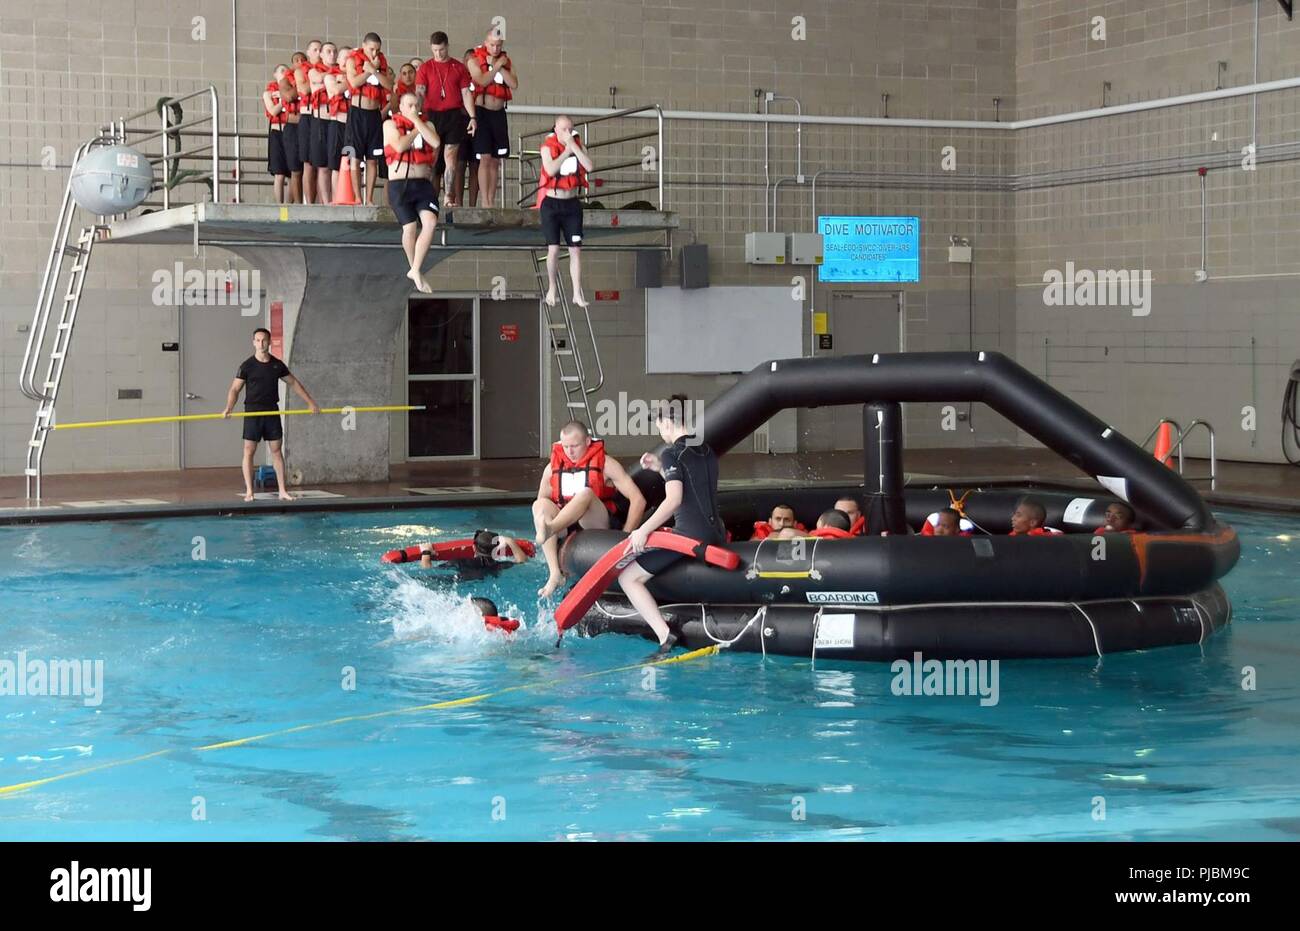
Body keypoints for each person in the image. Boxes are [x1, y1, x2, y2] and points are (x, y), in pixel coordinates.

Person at [621, 396, 725, 652]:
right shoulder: (705, 448)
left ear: (666, 422)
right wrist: (660, 469)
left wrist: (642, 530)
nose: (659, 431)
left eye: (658, 425)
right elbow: (695, 488)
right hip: (716, 532)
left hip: (690, 536)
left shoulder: (672, 453)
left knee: (628, 578)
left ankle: (664, 635)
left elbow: (675, 499)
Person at [533, 421, 646, 598]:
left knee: (585, 493)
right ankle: (555, 573)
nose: (569, 452)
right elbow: (543, 502)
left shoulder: (606, 464)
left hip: (596, 524)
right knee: (539, 504)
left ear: (587, 442)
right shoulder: (552, 469)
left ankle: (551, 529)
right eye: (566, 446)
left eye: (575, 446)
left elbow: (638, 500)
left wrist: (625, 537)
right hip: (567, 527)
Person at [223, 327, 320, 502]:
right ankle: (249, 492)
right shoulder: (246, 366)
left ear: (269, 342)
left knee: (276, 451)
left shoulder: (277, 365)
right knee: (249, 451)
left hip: (271, 412)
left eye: (264, 340)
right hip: (252, 412)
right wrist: (229, 407)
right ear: (253, 342)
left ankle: (282, 490)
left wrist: (310, 402)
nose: (261, 343)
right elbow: (235, 389)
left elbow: (294, 383)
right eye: (258, 340)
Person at [383, 91, 440, 293]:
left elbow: (435, 142)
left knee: (431, 223)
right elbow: (399, 145)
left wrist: (418, 123)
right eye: (410, 105)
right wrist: (416, 129)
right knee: (409, 227)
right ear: (401, 108)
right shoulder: (389, 125)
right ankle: (414, 269)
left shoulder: (428, 125)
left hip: (423, 185)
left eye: (417, 105)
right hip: (401, 184)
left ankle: (415, 269)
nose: (414, 109)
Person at [537, 115, 594, 307]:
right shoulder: (547, 148)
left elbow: (589, 166)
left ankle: (577, 292)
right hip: (552, 204)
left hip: (572, 205)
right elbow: (551, 170)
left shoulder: (579, 146)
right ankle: (552, 287)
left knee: (576, 250)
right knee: (553, 249)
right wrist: (566, 151)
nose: (567, 133)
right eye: (563, 130)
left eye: (570, 129)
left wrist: (574, 148)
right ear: (555, 129)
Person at [416, 32, 477, 208]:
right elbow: (420, 92)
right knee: (432, 159)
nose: (438, 54)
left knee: (451, 158)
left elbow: (466, 93)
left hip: (453, 116)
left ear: (447, 46)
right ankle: (426, 196)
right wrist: (416, 113)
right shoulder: (425, 68)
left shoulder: (458, 67)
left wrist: (473, 117)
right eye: (435, 50)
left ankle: (449, 197)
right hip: (432, 116)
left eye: (441, 50)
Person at [466, 27, 517, 207]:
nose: (495, 49)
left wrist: (500, 66)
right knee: (484, 158)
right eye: (492, 45)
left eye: (499, 45)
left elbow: (514, 83)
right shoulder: (474, 60)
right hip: (482, 112)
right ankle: (485, 202)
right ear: (485, 43)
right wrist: (495, 65)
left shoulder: (506, 62)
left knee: (496, 160)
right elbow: (482, 80)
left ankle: (492, 201)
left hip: (499, 114)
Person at [345, 33, 394, 206]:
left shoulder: (381, 61)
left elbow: (389, 85)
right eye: (371, 49)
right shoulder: (352, 61)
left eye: (377, 49)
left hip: (374, 115)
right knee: (356, 158)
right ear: (363, 46)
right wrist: (368, 69)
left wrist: (374, 69)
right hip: (357, 113)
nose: (374, 52)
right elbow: (355, 83)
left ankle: (370, 198)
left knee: (373, 159)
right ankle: (358, 197)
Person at [418, 529, 528, 581]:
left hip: (455, 582)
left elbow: (427, 570)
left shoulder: (458, 562)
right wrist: (509, 541)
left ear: (474, 547)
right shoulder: (500, 565)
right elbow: (522, 561)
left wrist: (426, 552)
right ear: (496, 550)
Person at [295, 40, 323, 203]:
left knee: (321, 162)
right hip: (307, 116)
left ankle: (322, 201)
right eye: (315, 49)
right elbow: (304, 89)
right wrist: (318, 78)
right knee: (308, 163)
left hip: (322, 116)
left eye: (321, 49)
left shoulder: (327, 69)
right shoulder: (301, 71)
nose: (319, 53)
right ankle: (309, 202)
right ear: (308, 52)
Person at [263, 65, 291, 203]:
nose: (285, 73)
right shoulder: (268, 92)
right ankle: (280, 208)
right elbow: (273, 111)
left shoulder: (291, 90)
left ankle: (290, 206)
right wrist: (283, 100)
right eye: (281, 71)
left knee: (293, 172)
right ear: (275, 74)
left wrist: (285, 95)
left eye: (287, 71)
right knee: (279, 173)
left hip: (290, 130)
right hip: (276, 132)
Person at [282, 53, 306, 202]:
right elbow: (289, 96)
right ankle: (297, 205)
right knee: (295, 170)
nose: (300, 62)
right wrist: (300, 83)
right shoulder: (285, 80)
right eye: (296, 60)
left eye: (303, 60)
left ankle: (307, 203)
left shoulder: (311, 76)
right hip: (292, 127)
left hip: (308, 125)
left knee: (311, 168)